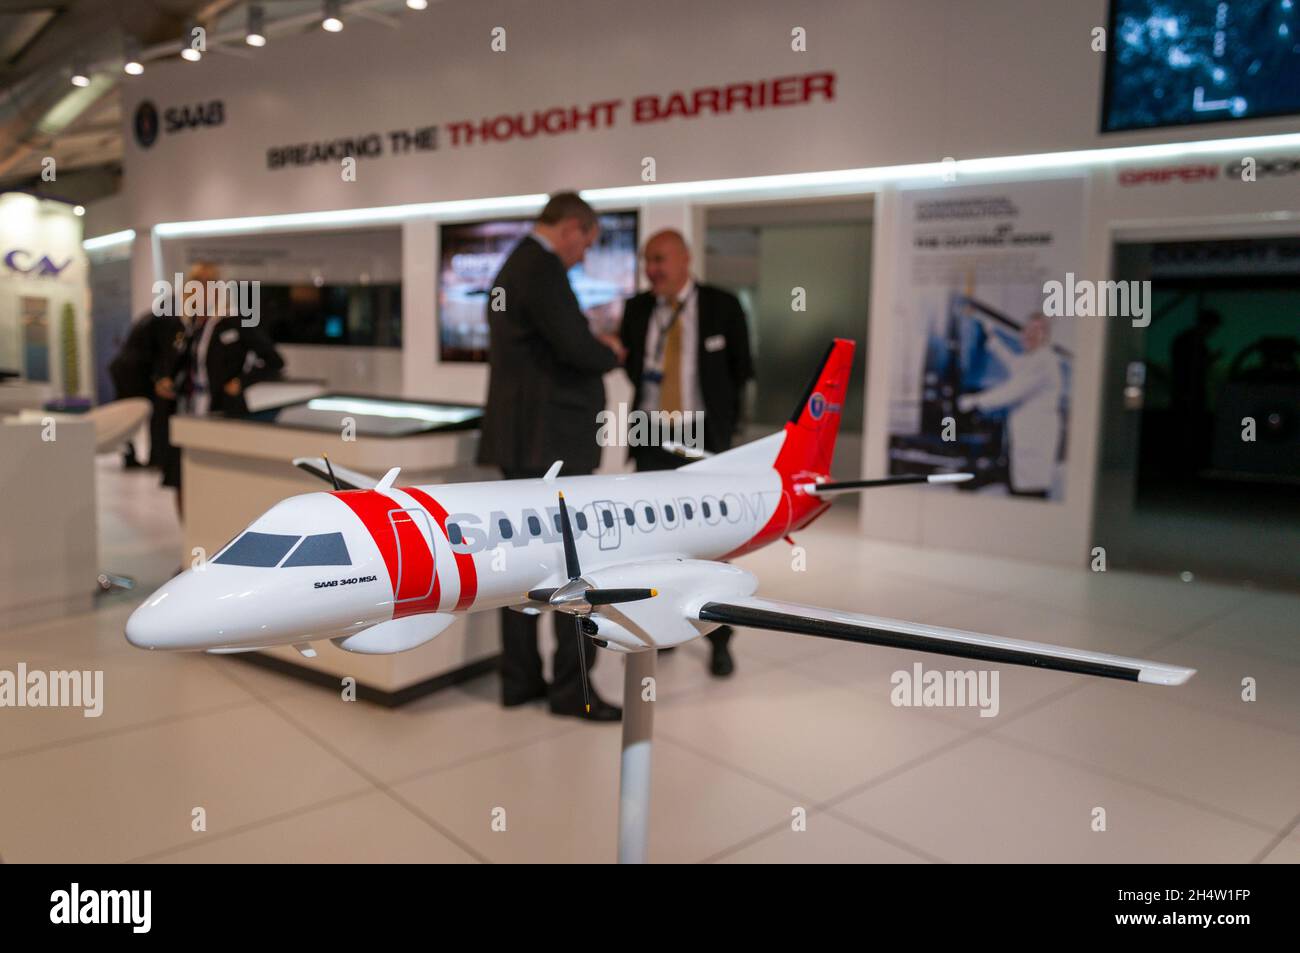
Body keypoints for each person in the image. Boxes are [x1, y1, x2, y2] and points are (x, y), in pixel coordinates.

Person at [477, 191, 626, 721]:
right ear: (571, 228)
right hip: (552, 446)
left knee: (518, 568)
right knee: (572, 570)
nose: (583, 255)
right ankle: (572, 691)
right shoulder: (541, 269)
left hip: (524, 444)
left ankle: (519, 682)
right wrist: (609, 350)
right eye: (586, 242)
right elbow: (576, 349)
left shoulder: (515, 264)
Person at [619, 229, 753, 676]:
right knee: (652, 540)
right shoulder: (638, 309)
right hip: (651, 434)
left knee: (712, 541)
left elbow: (742, 370)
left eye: (659, 259)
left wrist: (729, 434)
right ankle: (664, 622)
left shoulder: (722, 306)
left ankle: (721, 635)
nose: (651, 270)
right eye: (646, 261)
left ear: (685, 259)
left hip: (702, 438)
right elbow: (632, 367)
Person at [155, 263, 284, 514]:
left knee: (213, 479)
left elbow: (274, 361)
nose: (200, 291)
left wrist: (242, 382)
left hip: (221, 413)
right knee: (182, 477)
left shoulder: (234, 322)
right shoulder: (187, 327)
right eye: (195, 285)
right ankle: (191, 540)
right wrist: (165, 380)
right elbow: (173, 364)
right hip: (187, 411)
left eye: (207, 284)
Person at [958, 313, 1062, 498]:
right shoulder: (1033, 359)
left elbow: (1011, 391)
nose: (1028, 335)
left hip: (1034, 444)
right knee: (1020, 490)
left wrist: (973, 401)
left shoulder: (1044, 360)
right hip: (1027, 442)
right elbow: (1013, 363)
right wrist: (992, 338)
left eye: (1036, 331)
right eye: (1026, 330)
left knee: (1030, 496)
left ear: (1046, 336)